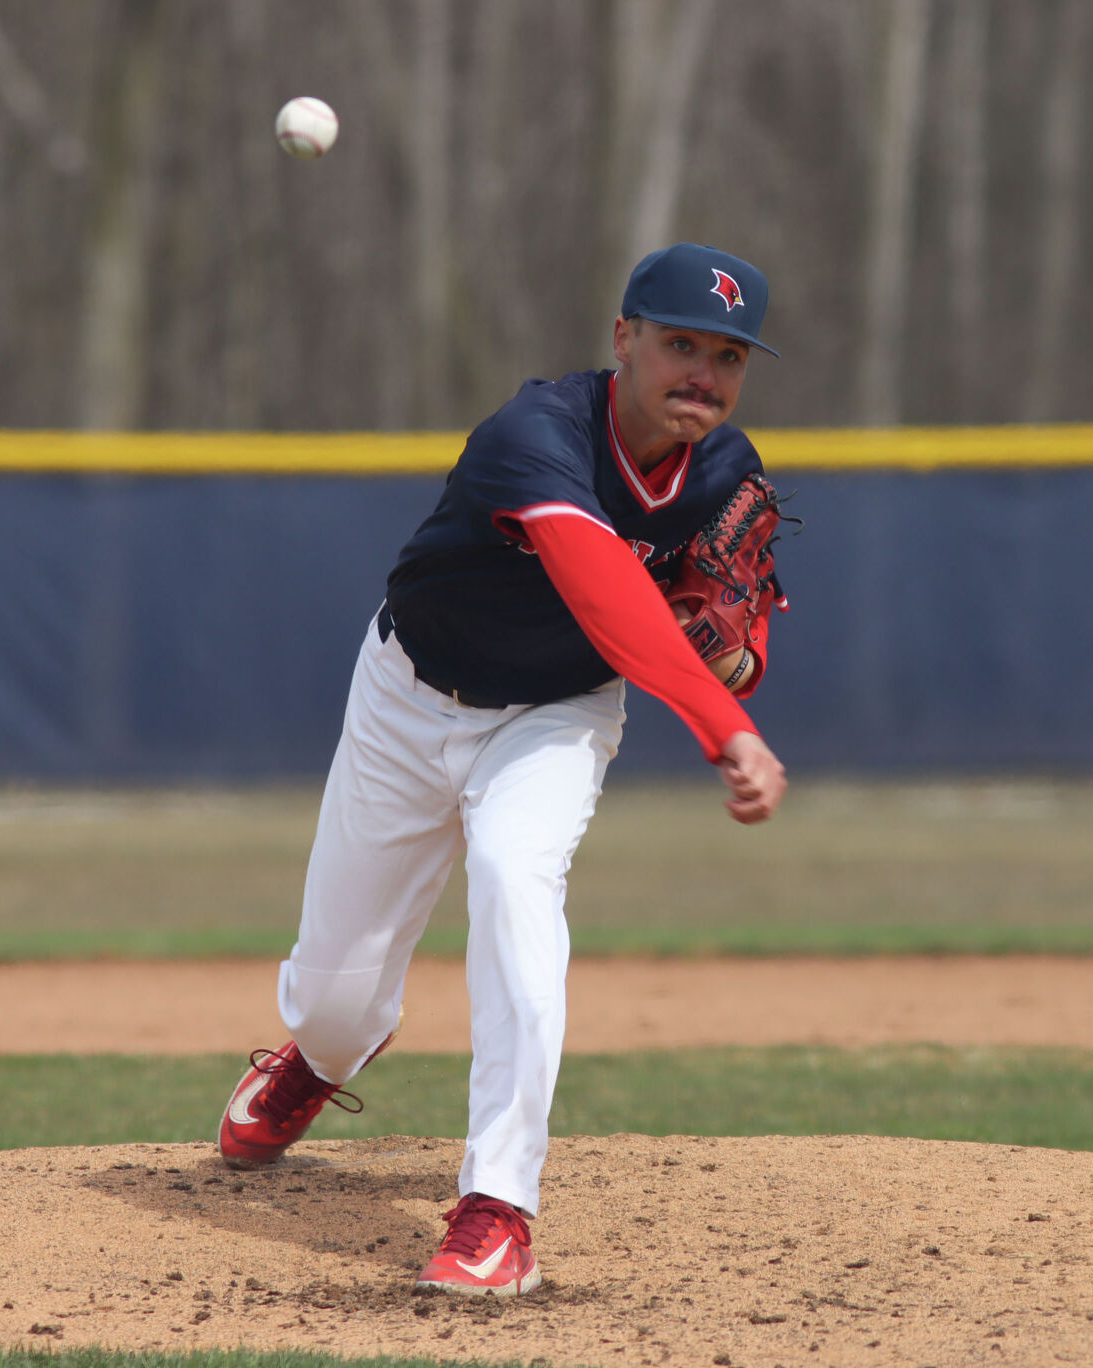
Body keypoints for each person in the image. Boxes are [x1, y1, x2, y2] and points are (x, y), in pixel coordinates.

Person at [215, 243, 789, 1296]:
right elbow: (606, 593)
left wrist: (732, 662)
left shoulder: (724, 476)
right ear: (622, 339)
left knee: (517, 882)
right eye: (678, 344)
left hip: (556, 716)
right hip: (406, 694)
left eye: (726, 355)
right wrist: (720, 723)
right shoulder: (537, 434)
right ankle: (322, 1058)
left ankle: (496, 1208)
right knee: (337, 998)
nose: (701, 373)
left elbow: (735, 642)